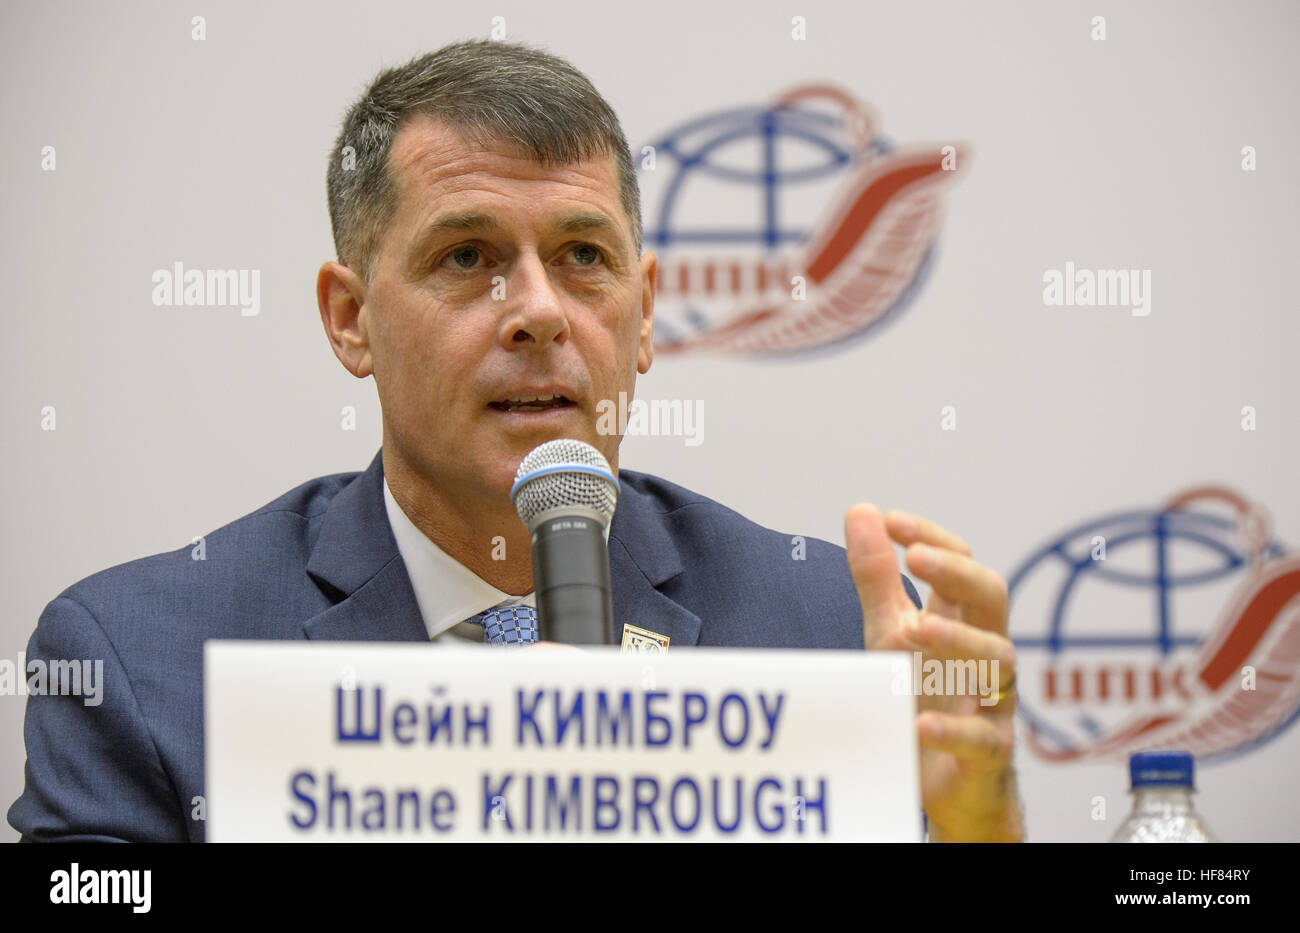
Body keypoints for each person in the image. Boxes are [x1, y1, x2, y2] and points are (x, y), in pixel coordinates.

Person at [8, 38, 1022, 843]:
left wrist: (978, 837)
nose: (537, 311)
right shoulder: (142, 662)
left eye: (584, 255)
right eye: (467, 256)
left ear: (644, 314)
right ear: (350, 319)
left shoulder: (824, 634)